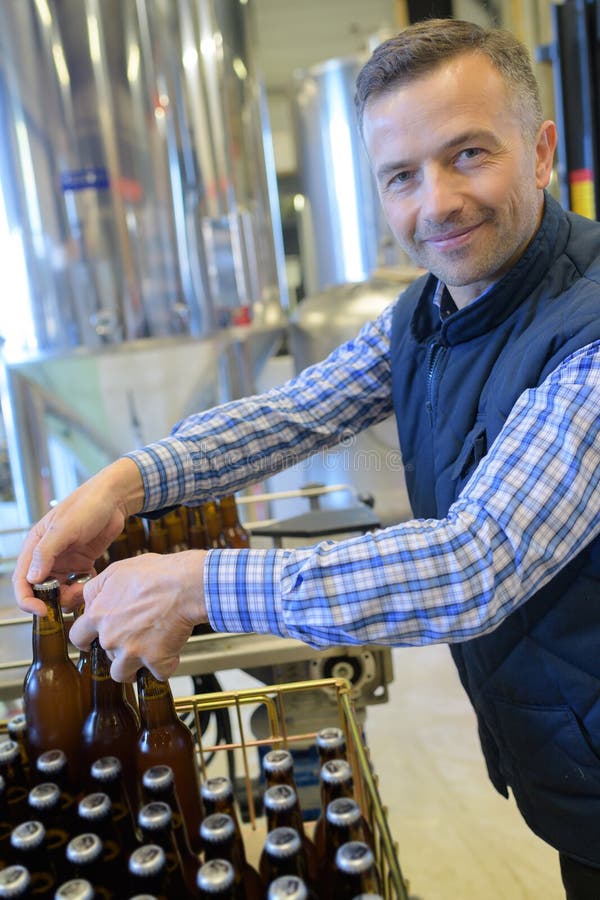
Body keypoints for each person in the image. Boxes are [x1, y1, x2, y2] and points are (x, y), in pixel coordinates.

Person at [12, 17, 600, 899]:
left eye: (469, 154)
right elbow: (294, 413)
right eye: (401, 176)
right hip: (566, 751)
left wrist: (198, 585)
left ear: (542, 151)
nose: (437, 202)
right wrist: (125, 483)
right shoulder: (430, 312)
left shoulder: (589, 335)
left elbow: (477, 563)